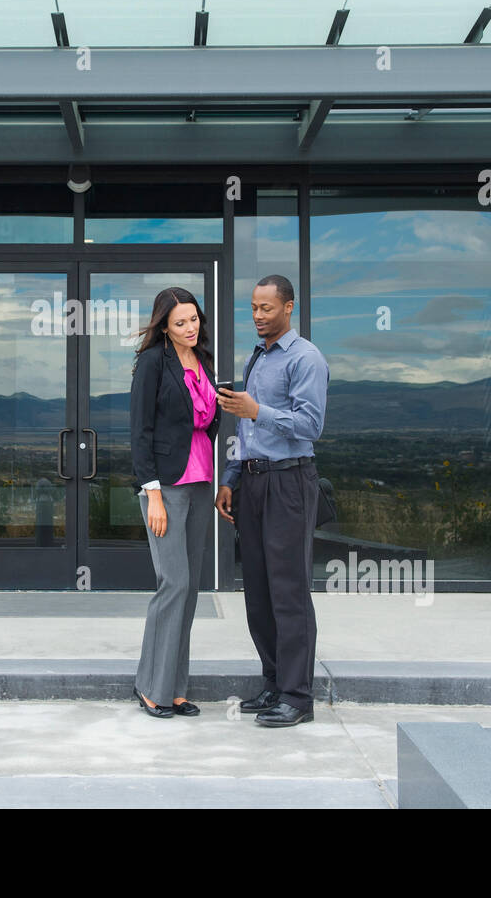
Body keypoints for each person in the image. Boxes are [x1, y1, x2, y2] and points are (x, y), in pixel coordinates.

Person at [215, 275, 328, 728]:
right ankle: (274, 683)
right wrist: (231, 477)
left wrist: (256, 410)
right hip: (254, 482)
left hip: (289, 482)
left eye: (267, 307)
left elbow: (311, 426)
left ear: (288, 307)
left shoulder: (305, 358)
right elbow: (247, 432)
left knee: (289, 590)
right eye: (254, 308)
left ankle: (298, 697)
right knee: (259, 591)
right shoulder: (257, 358)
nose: (258, 315)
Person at [129, 287, 221, 719]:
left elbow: (207, 421)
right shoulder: (152, 363)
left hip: (201, 482)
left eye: (194, 319)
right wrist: (153, 495)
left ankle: (175, 688)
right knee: (174, 584)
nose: (189, 327)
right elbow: (140, 431)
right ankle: (150, 686)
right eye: (180, 322)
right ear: (164, 326)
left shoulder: (203, 361)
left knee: (190, 590)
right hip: (165, 487)